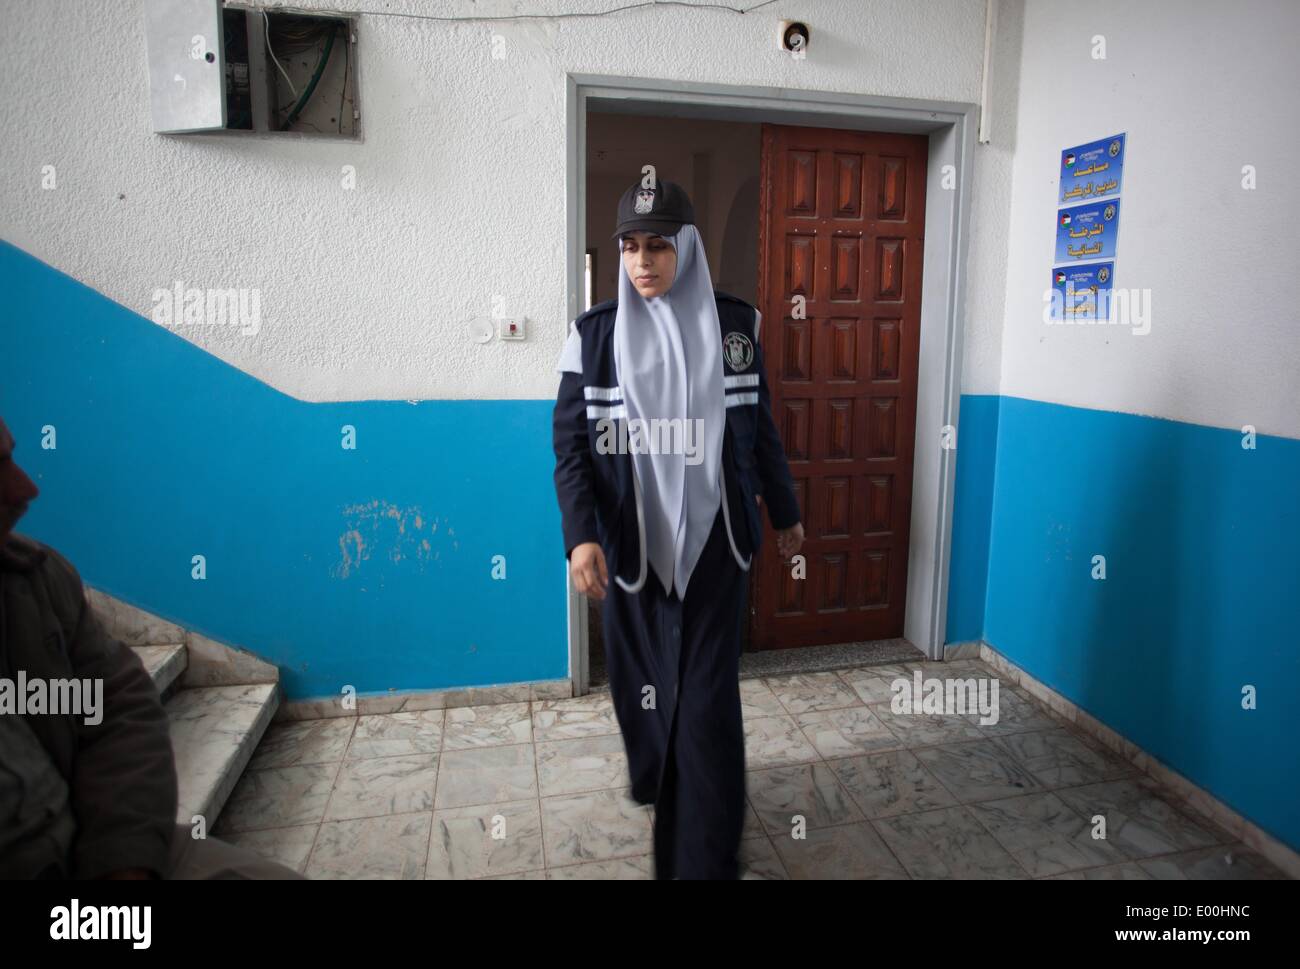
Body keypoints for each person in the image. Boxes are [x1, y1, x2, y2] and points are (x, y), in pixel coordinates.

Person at [552, 177, 804, 879]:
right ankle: (654, 775)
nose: (642, 260)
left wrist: (785, 515)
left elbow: (761, 435)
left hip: (716, 551)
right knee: (641, 690)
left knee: (703, 707)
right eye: (630, 245)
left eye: (658, 244)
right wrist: (581, 536)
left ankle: (702, 856)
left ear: (687, 247)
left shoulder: (735, 327)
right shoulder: (593, 337)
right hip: (633, 552)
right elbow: (571, 448)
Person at [0, 415, 303, 879]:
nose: (26, 490)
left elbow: (116, 712)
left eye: (11, 459)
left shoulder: (35, 581)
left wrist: (124, 862)